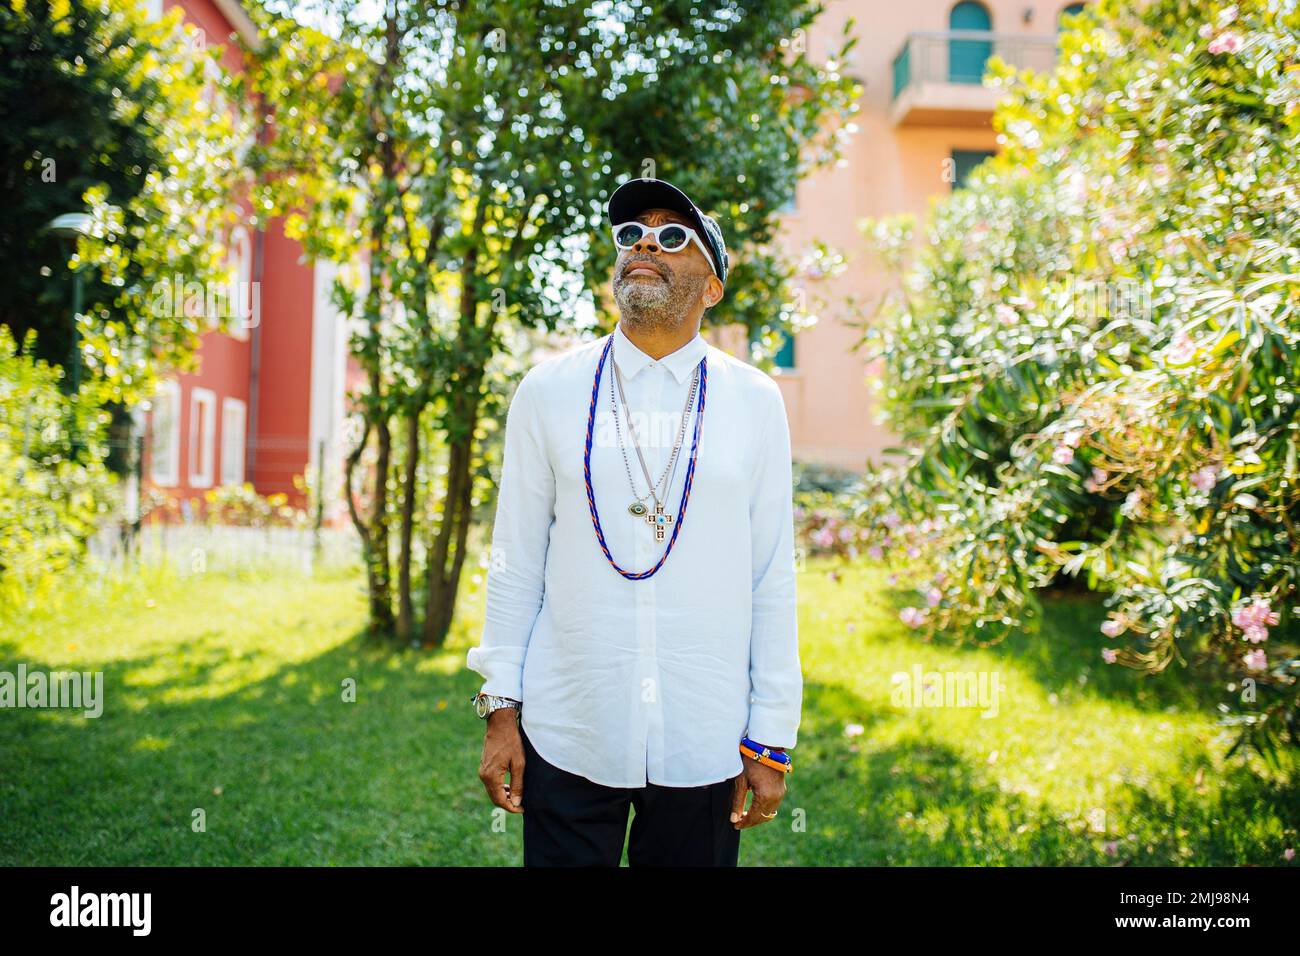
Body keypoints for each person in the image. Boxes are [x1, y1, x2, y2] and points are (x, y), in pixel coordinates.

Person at [467, 176, 801, 866]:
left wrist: (771, 735)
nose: (646, 244)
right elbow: (515, 561)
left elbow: (772, 577)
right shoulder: (548, 391)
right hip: (569, 727)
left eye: (673, 236)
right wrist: (501, 709)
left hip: (704, 735)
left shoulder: (755, 401)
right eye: (632, 234)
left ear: (712, 287)